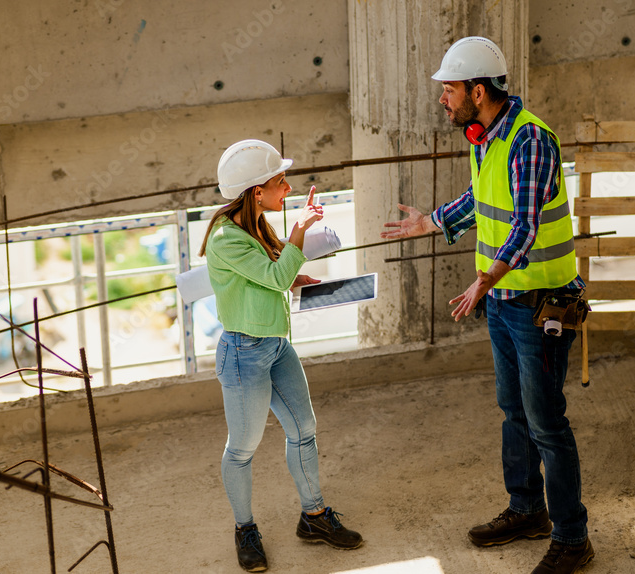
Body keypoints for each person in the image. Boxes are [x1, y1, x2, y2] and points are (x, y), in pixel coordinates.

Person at [381, 37, 593, 574]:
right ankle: (527, 510)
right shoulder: (484, 137)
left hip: (539, 304)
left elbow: (523, 227)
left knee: (547, 422)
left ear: (478, 91)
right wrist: (431, 221)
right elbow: (483, 199)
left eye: (448, 90)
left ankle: (573, 538)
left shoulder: (530, 140)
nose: (442, 100)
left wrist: (484, 279)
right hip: (503, 301)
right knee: (513, 410)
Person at [201, 139, 363, 572]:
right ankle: (244, 529)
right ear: (256, 191)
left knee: (304, 428)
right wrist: (299, 234)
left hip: (275, 346)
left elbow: (271, 277)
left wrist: (296, 277)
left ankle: (313, 517)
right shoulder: (224, 239)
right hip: (243, 355)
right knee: (243, 448)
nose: (287, 189)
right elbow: (272, 276)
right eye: (280, 181)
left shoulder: (256, 228)